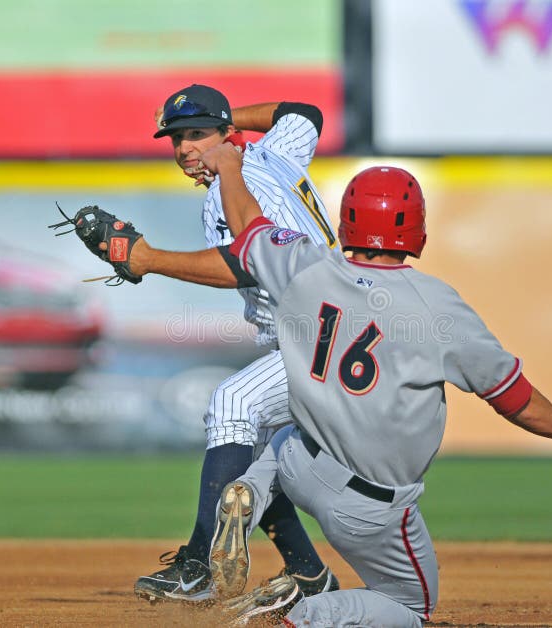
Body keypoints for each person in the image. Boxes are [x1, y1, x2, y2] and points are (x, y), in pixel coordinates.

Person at [196, 143, 552, 626]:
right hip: (367, 507)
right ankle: (306, 614)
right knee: (411, 606)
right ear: (416, 229)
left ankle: (251, 490)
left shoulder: (304, 265)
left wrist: (230, 166)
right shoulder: (436, 305)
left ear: (347, 222)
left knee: (284, 436)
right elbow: (514, 398)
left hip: (301, 465)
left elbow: (248, 223)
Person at [129, 84, 340, 603]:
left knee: (232, 404)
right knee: (249, 452)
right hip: (336, 324)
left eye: (197, 134)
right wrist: (220, 121)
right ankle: (309, 573)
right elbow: (303, 112)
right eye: (177, 138)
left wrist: (148, 259)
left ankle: (198, 569)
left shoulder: (229, 192)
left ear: (228, 134)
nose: (185, 149)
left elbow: (247, 264)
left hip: (317, 336)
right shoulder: (275, 151)